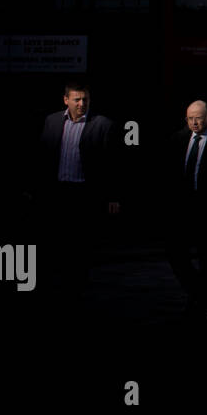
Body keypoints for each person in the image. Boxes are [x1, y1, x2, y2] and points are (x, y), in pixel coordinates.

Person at [36, 82, 120, 300]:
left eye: (85, 100)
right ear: (66, 100)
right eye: (77, 99)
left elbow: (112, 164)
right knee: (55, 239)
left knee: (80, 242)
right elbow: (43, 157)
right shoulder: (52, 121)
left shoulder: (102, 124)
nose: (82, 104)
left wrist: (112, 196)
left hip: (83, 193)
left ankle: (76, 287)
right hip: (57, 192)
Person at [162, 101, 207, 322]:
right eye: (190, 118)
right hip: (182, 209)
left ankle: (204, 304)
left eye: (198, 118)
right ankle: (199, 294)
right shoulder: (178, 139)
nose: (194, 123)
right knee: (176, 253)